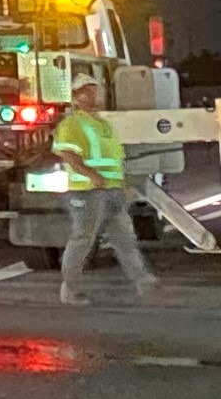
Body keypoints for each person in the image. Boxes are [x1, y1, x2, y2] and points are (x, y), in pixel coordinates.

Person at [47, 81, 158, 305]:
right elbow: (68, 154)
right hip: (86, 192)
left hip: (111, 190)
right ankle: (69, 289)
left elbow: (115, 160)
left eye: (94, 92)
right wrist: (92, 175)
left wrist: (122, 185)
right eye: (86, 92)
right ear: (75, 97)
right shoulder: (72, 124)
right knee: (83, 239)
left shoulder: (102, 124)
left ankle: (143, 281)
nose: (92, 96)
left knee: (124, 238)